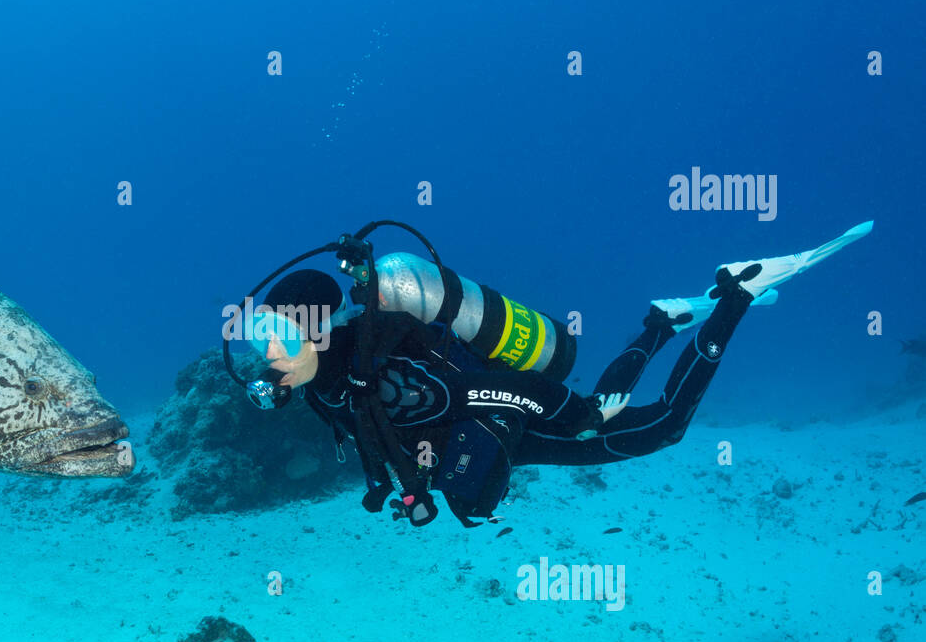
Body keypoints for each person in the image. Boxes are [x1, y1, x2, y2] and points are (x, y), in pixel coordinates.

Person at [247, 221, 873, 526]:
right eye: (258, 337)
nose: (265, 354)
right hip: (492, 437)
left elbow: (487, 389)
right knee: (605, 402)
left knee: (665, 428)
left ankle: (736, 293)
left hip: (507, 424)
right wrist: (395, 485)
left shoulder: (374, 367)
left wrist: (572, 416)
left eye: (276, 335)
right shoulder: (324, 383)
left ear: (318, 329)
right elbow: (377, 434)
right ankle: (660, 322)